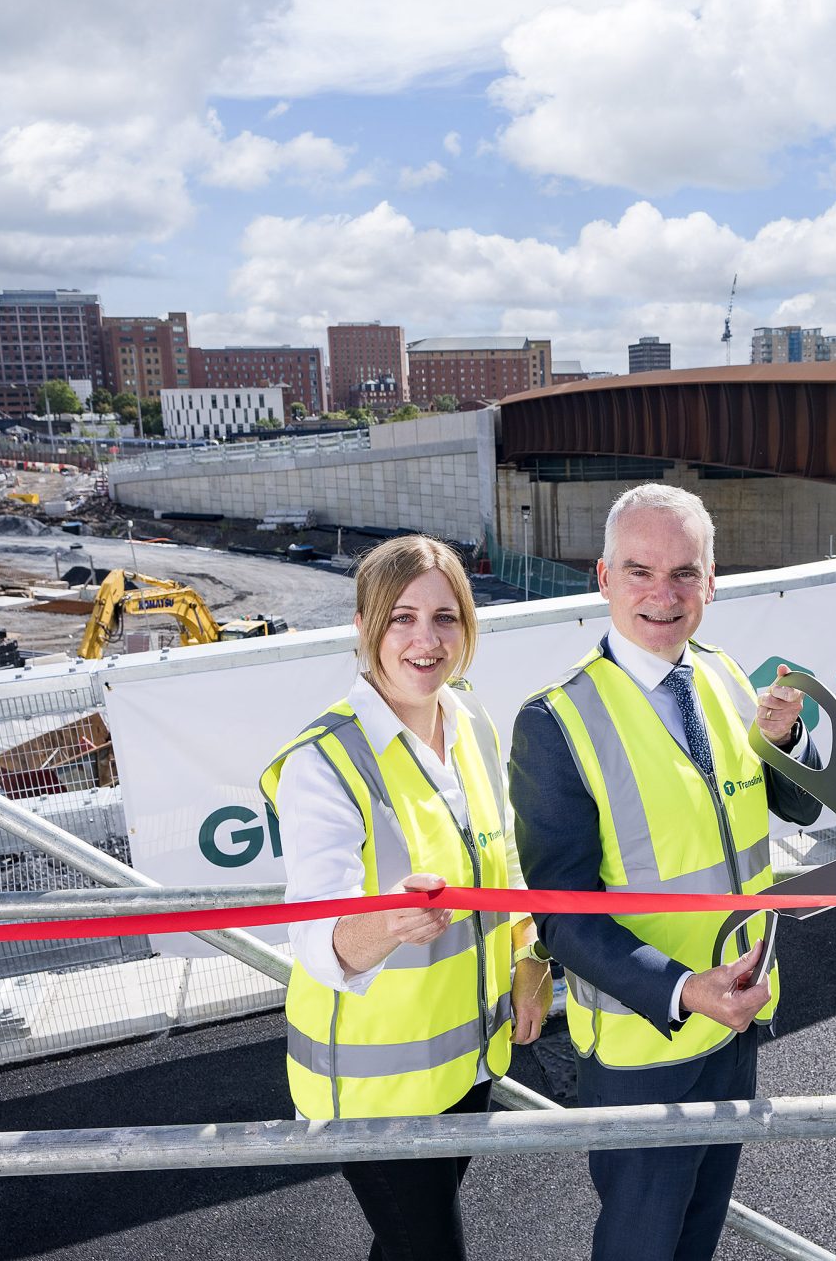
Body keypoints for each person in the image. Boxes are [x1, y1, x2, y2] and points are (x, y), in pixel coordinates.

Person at [509, 483, 824, 1261]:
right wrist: (687, 990)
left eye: (685, 572)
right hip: (644, 1045)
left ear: (712, 582)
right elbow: (563, 915)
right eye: (641, 570)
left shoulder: (723, 675)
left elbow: (801, 807)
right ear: (603, 577)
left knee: (698, 1237)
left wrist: (790, 741)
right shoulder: (556, 723)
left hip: (737, 1025)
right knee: (642, 1246)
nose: (663, 593)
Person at [260, 535, 551, 1261]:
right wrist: (386, 924)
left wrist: (528, 960)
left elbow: (504, 859)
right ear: (364, 627)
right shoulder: (323, 763)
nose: (426, 640)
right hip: (374, 1091)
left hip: (465, 1060)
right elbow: (314, 940)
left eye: (446, 617)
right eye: (402, 618)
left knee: (405, 1249)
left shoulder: (473, 720)